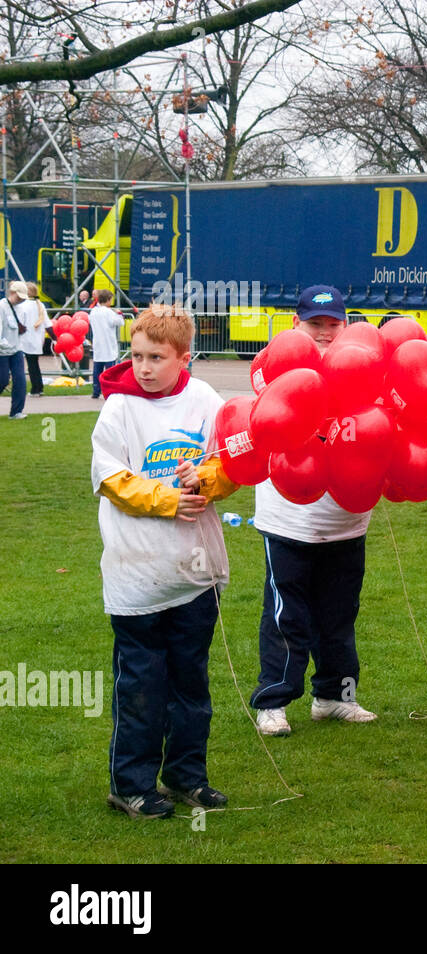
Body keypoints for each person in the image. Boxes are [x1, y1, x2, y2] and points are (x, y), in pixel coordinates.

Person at [91, 304, 238, 819]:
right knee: (141, 687)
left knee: (190, 684)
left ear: (184, 357)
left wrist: (206, 480)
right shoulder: (118, 408)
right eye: (137, 356)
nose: (144, 367)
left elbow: (229, 462)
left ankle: (186, 776)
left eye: (157, 357)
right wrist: (168, 499)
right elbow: (111, 480)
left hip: (194, 576)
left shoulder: (205, 401)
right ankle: (130, 784)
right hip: (138, 576)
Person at [249, 285, 378, 736]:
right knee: (287, 618)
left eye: (332, 324)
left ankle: (335, 698)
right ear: (295, 326)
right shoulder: (273, 366)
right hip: (288, 521)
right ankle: (273, 702)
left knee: (339, 617)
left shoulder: (366, 369)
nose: (324, 333)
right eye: (314, 324)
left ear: (344, 325)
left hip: (345, 521)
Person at [0, 281, 29, 419]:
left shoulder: (21, 308)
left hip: (16, 349)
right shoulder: (1, 306)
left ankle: (16, 411)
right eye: (19, 297)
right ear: (12, 293)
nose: (21, 300)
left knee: (20, 380)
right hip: (2, 351)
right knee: (3, 380)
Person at [89, 289, 125, 399]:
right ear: (108, 300)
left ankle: (96, 391)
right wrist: (119, 314)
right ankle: (110, 391)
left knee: (97, 370)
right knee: (110, 371)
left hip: (98, 344)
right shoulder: (109, 312)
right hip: (109, 344)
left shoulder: (93, 312)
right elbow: (119, 322)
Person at [20, 282, 52, 397]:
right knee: (35, 364)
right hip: (38, 339)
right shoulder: (40, 305)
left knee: (32, 365)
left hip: (26, 339)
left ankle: (35, 389)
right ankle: (39, 387)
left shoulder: (23, 306)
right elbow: (48, 324)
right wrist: (54, 338)